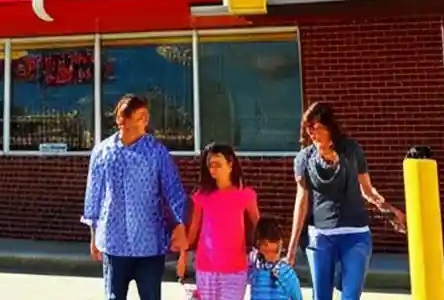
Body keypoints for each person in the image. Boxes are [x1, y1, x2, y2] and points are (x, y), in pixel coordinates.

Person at [287, 102, 406, 300]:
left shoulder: (351, 150)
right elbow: (301, 202)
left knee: (351, 295)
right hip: (321, 237)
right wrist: (291, 249)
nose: (312, 135)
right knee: (321, 296)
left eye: (316, 128)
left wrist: (391, 212)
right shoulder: (304, 159)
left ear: (329, 127)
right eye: (308, 130)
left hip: (356, 235)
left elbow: (368, 191)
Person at [82, 94, 190, 300]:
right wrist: (94, 236)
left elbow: (173, 192)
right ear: (121, 120)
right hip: (114, 243)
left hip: (149, 244)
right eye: (138, 117)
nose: (143, 122)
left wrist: (181, 227)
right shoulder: (103, 152)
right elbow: (93, 197)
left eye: (145, 117)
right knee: (114, 296)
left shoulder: (157, 153)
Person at [177, 143, 259, 300]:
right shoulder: (202, 196)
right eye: (210, 165)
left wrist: (267, 255)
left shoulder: (246, 195)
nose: (213, 169)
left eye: (218, 164)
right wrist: (182, 257)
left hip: (235, 269)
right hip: (206, 268)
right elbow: (192, 231)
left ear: (230, 164)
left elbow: (258, 226)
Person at [247, 216, 303, 300]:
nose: (271, 257)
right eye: (267, 251)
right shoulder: (254, 268)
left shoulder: (285, 272)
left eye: (274, 251)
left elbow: (296, 295)